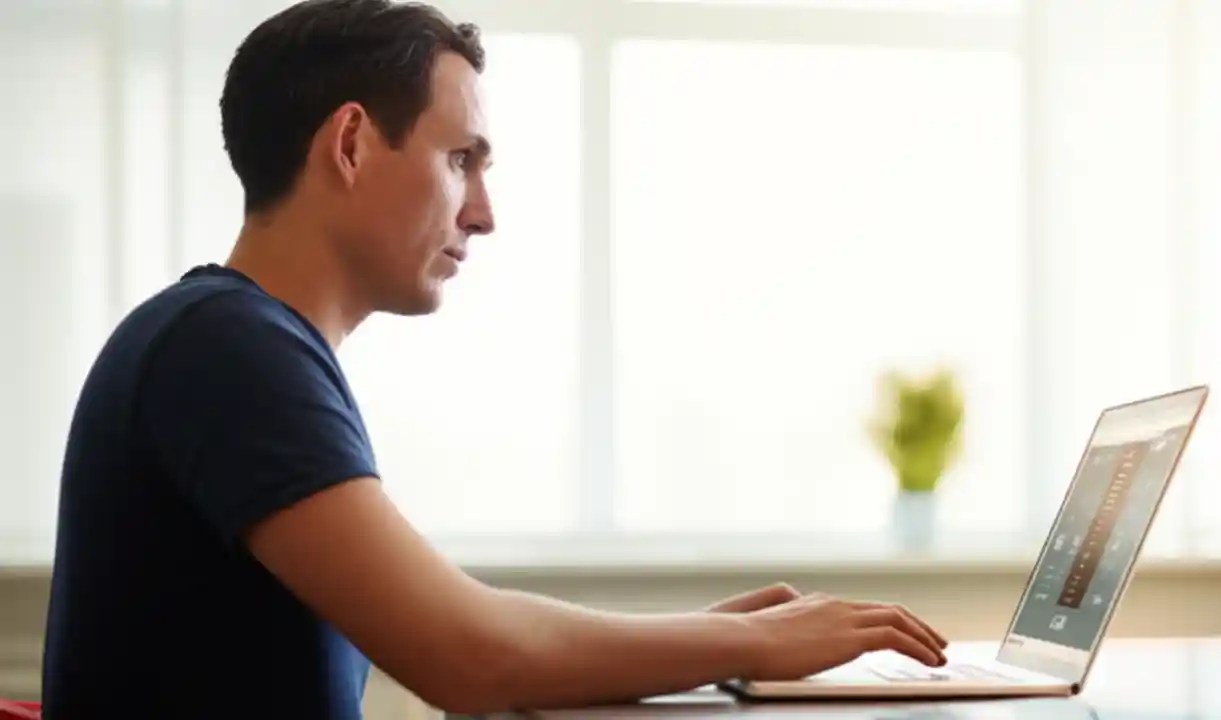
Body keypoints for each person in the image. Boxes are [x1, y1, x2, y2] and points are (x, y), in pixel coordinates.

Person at [40, 0, 949, 717]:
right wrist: (754, 646)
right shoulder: (229, 350)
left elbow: (459, 620)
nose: (483, 212)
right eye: (460, 160)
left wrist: (695, 639)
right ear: (350, 145)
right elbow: (465, 655)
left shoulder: (229, 339)